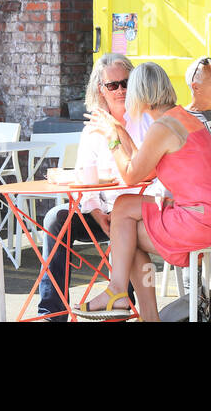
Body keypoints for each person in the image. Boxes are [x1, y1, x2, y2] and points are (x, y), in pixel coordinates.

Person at [83, 62, 211, 321]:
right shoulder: (181, 119)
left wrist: (111, 138)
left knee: (125, 233)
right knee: (123, 209)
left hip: (200, 220)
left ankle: (123, 296)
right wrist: (119, 129)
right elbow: (145, 170)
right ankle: (125, 297)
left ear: (140, 94)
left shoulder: (163, 127)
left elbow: (132, 174)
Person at [37, 52, 148, 320]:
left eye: (126, 82)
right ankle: (53, 313)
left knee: (126, 221)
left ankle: (122, 306)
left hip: (137, 210)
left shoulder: (146, 119)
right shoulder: (93, 128)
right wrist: (97, 213)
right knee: (55, 218)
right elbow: (85, 175)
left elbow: (150, 172)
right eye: (113, 85)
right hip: (101, 212)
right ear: (101, 90)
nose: (121, 89)